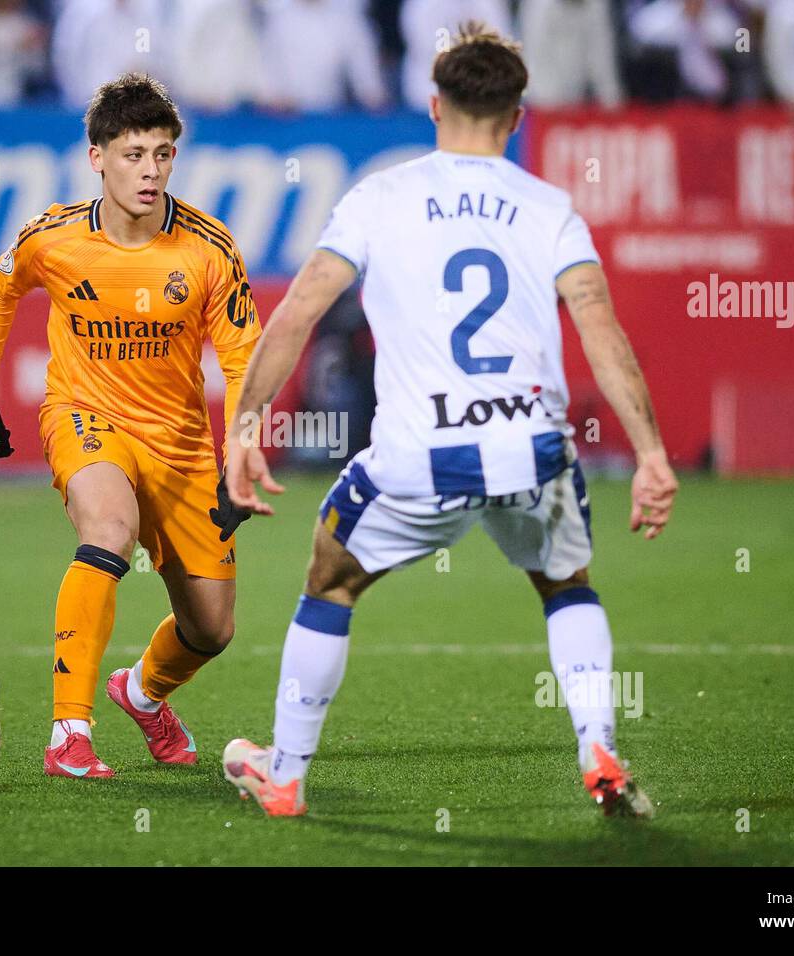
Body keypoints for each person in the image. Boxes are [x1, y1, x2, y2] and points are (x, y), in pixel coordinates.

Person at [220, 24, 678, 817]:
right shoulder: (548, 208)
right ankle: (597, 743)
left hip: (420, 454)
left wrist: (244, 428)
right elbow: (600, 326)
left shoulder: (380, 197)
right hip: (533, 448)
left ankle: (286, 772)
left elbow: (296, 312)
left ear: (434, 105)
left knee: (329, 580)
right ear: (517, 116)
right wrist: (651, 454)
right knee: (565, 583)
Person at [0, 73, 262, 779]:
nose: (150, 170)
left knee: (210, 629)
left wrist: (240, 452)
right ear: (96, 157)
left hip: (181, 443)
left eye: (163, 153)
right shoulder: (55, 237)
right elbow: (0, 288)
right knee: (107, 532)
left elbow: (246, 359)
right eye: (133, 154)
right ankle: (69, 733)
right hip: (86, 418)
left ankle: (143, 691)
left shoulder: (209, 248)